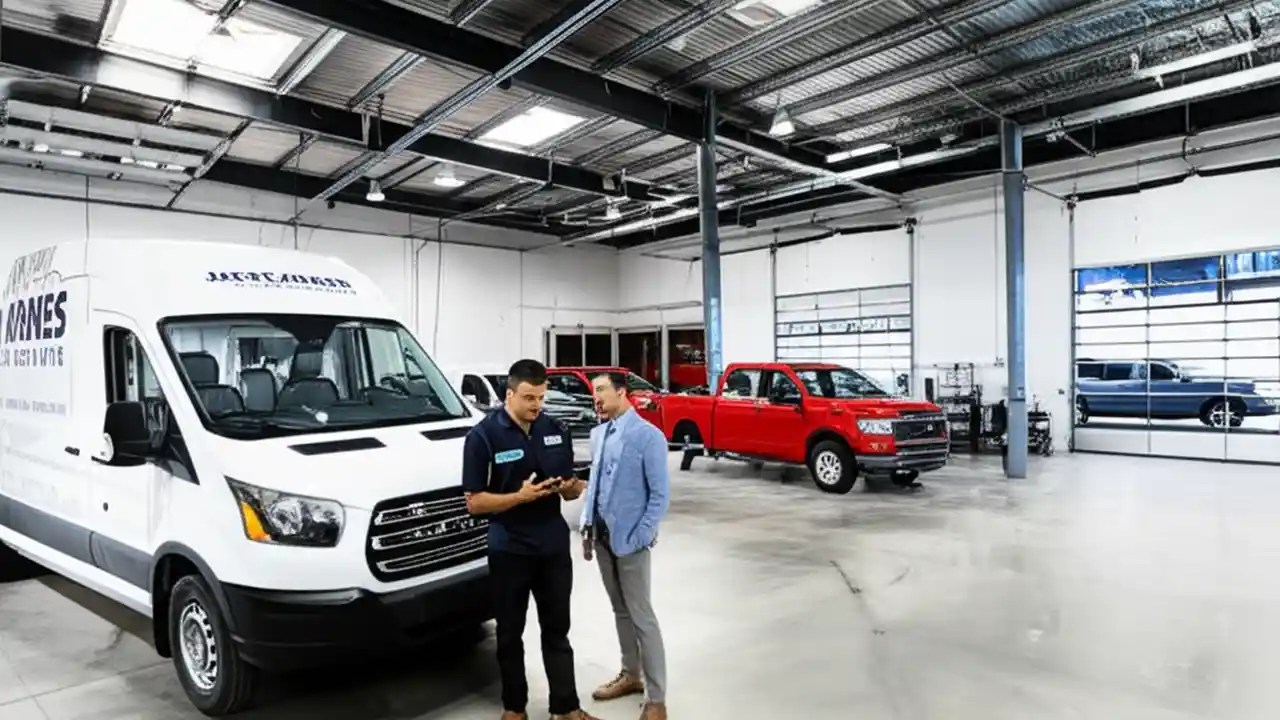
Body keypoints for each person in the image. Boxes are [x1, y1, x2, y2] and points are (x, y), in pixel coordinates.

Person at [462, 359, 599, 720]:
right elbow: (475, 502)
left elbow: (569, 492)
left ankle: (565, 708)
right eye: (528, 398)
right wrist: (518, 498)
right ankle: (514, 708)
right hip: (509, 548)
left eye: (540, 397)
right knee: (510, 633)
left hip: (552, 548)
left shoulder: (555, 429)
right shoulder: (483, 436)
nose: (536, 405)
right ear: (509, 394)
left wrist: (571, 488)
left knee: (557, 630)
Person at [580, 371, 671, 720]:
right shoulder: (598, 433)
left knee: (642, 616)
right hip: (602, 538)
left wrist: (642, 536)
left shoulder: (648, 437)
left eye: (602, 390)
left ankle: (657, 698)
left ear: (622, 393)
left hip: (631, 542)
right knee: (620, 611)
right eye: (594, 392)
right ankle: (631, 674)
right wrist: (588, 528)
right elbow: (596, 481)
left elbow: (659, 496)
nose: (597, 398)